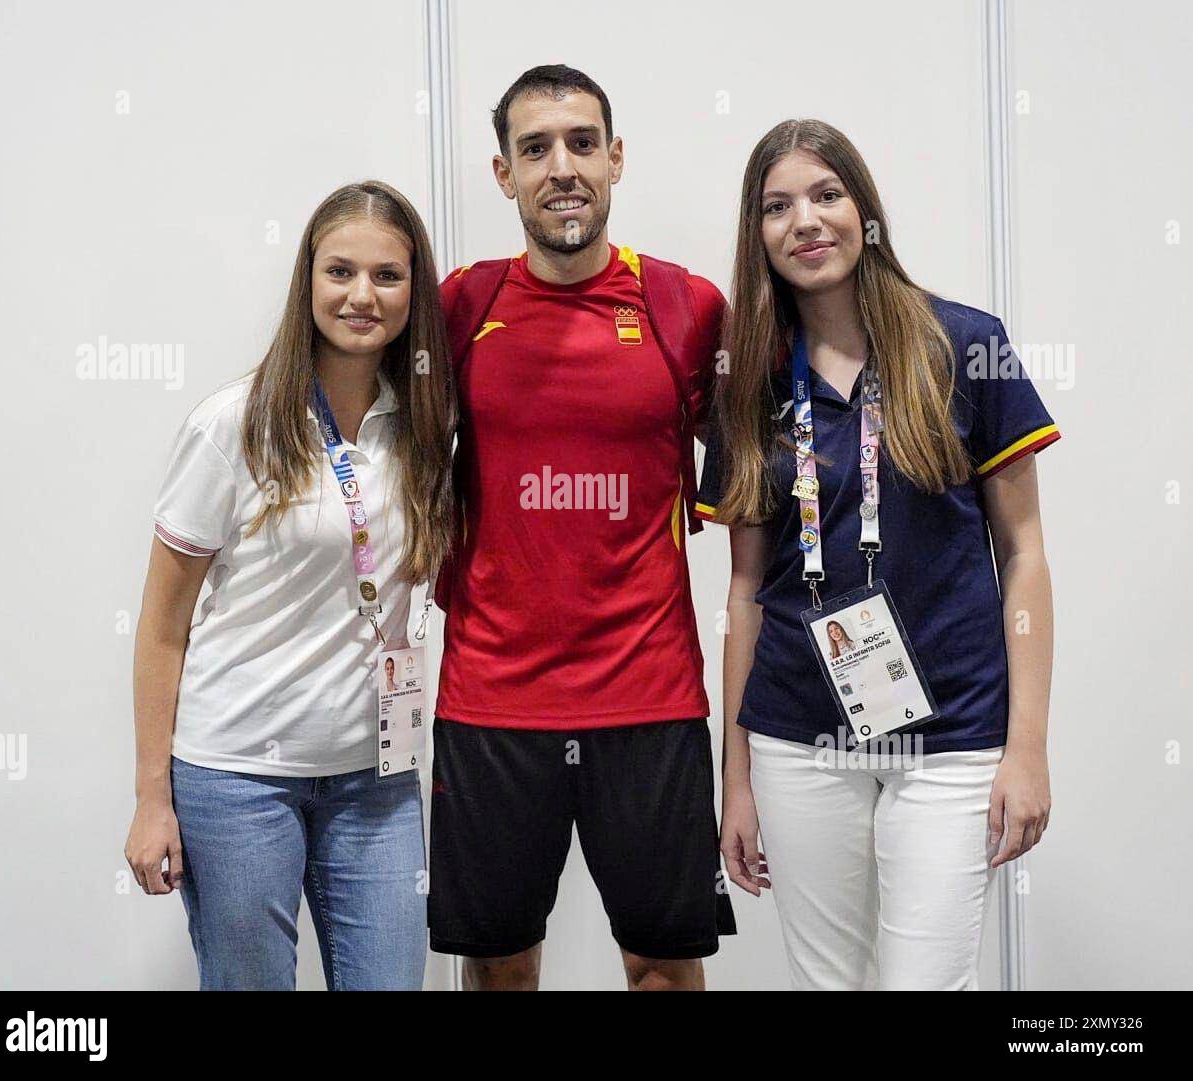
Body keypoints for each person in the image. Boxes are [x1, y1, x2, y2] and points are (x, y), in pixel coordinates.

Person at [701, 119, 1058, 991]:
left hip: (951, 733)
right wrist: (735, 778)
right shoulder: (747, 375)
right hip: (795, 735)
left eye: (826, 195)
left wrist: (1028, 749)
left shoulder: (961, 343)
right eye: (776, 206)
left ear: (864, 211)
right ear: (757, 234)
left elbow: (1023, 556)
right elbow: (744, 592)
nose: (805, 222)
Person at [427, 64, 736, 991]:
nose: (561, 166)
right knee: (501, 968)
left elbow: (780, 470)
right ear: (502, 173)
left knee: (662, 968)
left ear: (614, 158)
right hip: (491, 699)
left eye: (580, 143)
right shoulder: (462, 305)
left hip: (650, 698)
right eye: (535, 148)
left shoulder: (686, 306)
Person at [124, 180, 455, 990]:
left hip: (376, 784)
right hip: (237, 780)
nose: (361, 296)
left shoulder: (425, 426)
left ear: (414, 291)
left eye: (387, 275)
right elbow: (163, 626)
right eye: (340, 271)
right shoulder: (234, 424)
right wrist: (149, 798)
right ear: (307, 280)